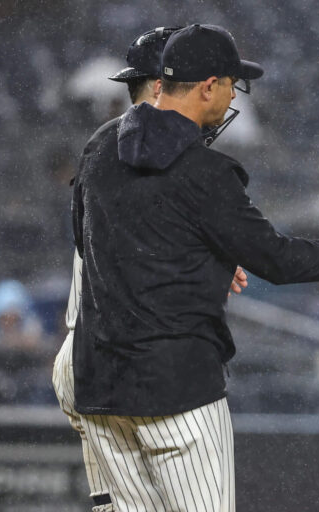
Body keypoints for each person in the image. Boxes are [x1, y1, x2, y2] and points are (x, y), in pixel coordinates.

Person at [70, 24, 319, 512]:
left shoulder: (100, 145)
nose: (232, 96)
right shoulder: (206, 173)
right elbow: (280, 261)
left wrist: (202, 260)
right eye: (230, 84)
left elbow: (90, 241)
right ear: (208, 86)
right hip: (177, 390)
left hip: (101, 387)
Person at [52, 26, 191, 512]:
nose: (221, 93)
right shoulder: (137, 150)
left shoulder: (110, 148)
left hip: (94, 353)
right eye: (205, 81)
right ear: (162, 87)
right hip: (116, 357)